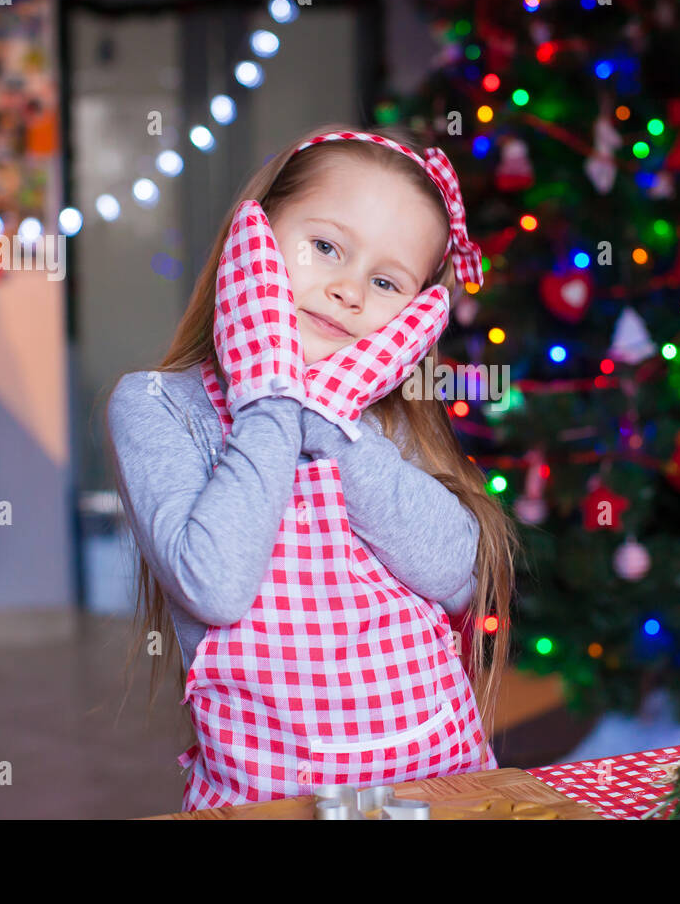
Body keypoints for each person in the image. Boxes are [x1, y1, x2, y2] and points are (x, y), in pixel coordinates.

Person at [105, 123, 520, 809]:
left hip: (433, 787)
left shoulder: (388, 414)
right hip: (265, 803)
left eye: (386, 281)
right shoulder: (157, 407)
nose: (348, 291)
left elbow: (454, 573)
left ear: (415, 318)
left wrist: (335, 425)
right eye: (325, 247)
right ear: (251, 244)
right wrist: (272, 400)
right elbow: (215, 584)